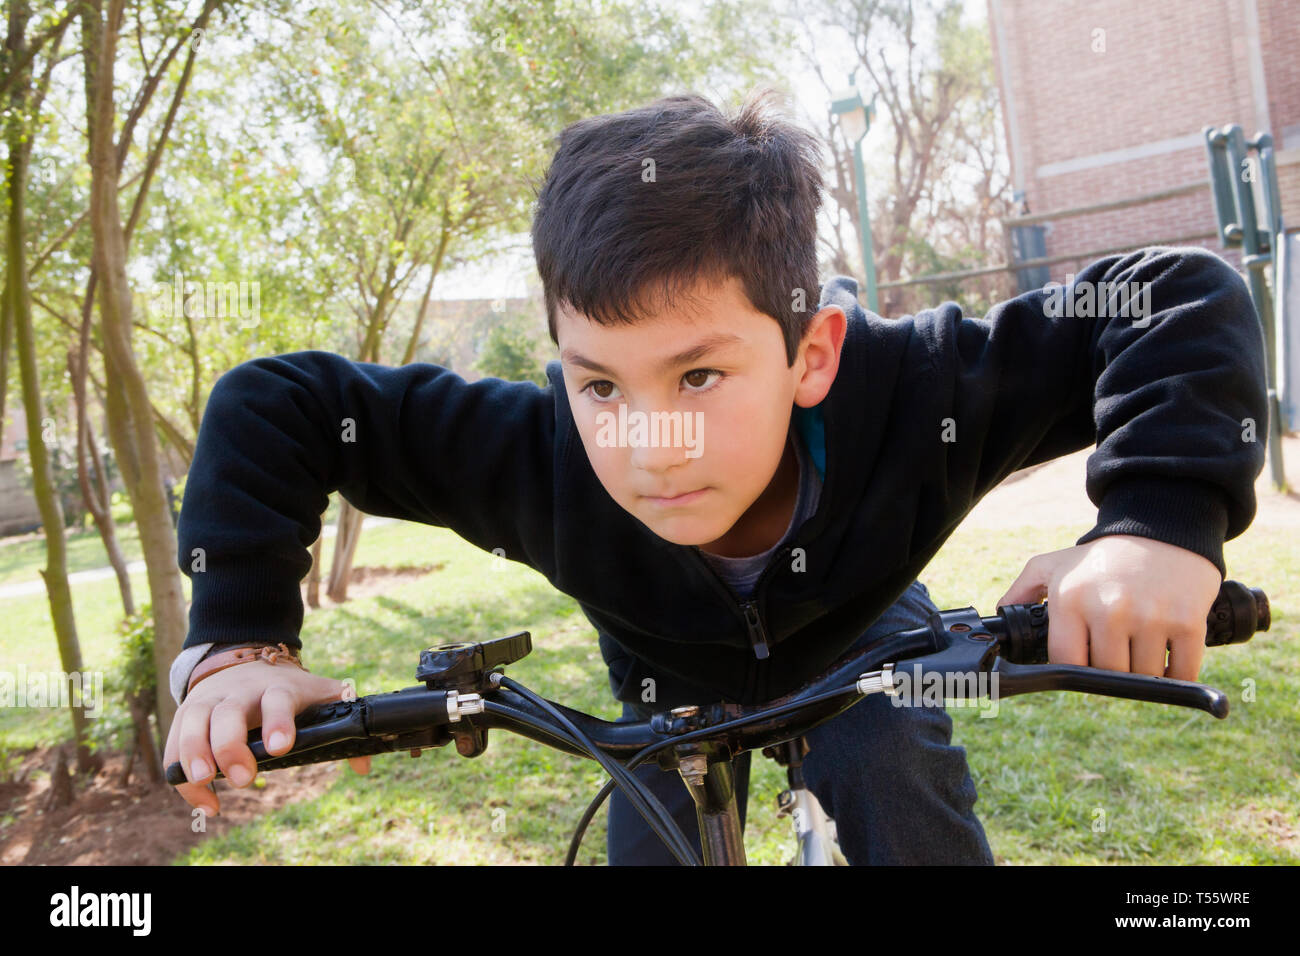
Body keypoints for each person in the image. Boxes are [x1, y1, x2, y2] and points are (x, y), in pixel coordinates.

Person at [163, 87, 1266, 865]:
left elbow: (1168, 293)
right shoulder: (535, 451)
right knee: (653, 831)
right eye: (599, 384)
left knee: (893, 771)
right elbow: (279, 402)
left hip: (868, 641)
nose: (647, 444)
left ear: (810, 353)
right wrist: (238, 645)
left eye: (697, 374)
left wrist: (1155, 521)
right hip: (662, 686)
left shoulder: (915, 391)